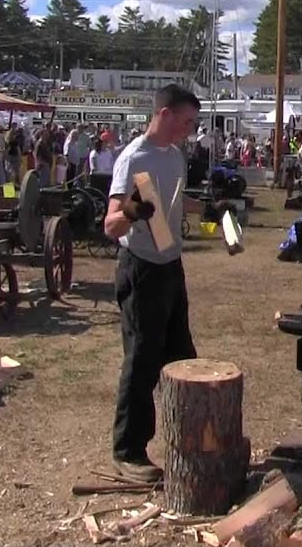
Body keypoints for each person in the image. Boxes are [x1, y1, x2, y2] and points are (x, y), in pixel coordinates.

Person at [103, 84, 212, 482]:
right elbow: (111, 225)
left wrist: (210, 208)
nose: (190, 128)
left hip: (170, 264)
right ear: (164, 114)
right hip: (142, 267)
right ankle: (128, 451)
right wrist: (132, 209)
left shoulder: (174, 156)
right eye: (186, 121)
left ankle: (189, 437)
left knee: (182, 355)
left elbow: (174, 203)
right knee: (142, 361)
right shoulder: (133, 158)